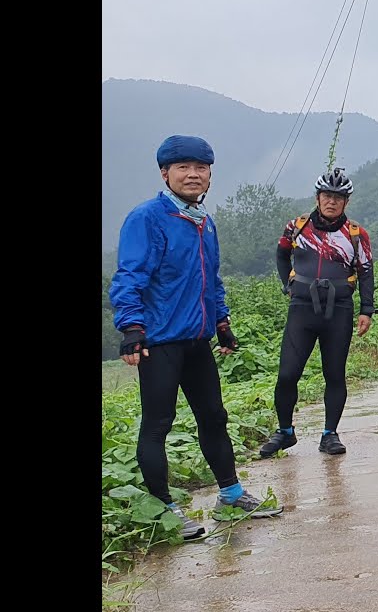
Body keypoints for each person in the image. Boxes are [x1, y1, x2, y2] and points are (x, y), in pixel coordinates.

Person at [109, 135, 282, 541]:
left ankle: (230, 495)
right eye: (183, 167)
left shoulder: (203, 221)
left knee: (214, 417)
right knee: (158, 424)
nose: (193, 174)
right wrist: (131, 329)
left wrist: (221, 321)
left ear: (209, 175)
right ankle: (163, 509)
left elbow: (211, 279)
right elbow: (129, 277)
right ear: (165, 173)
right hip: (160, 341)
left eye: (200, 168)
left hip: (196, 340)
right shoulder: (147, 217)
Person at [258, 168, 375, 458]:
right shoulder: (297, 227)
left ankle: (329, 434)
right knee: (287, 373)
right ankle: (285, 431)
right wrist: (287, 283)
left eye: (338, 197)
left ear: (346, 201)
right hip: (302, 307)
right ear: (318, 197)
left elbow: (366, 272)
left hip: (339, 309)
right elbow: (281, 253)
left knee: (334, 374)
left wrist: (366, 310)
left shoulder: (356, 234)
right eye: (327, 196)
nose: (331, 202)